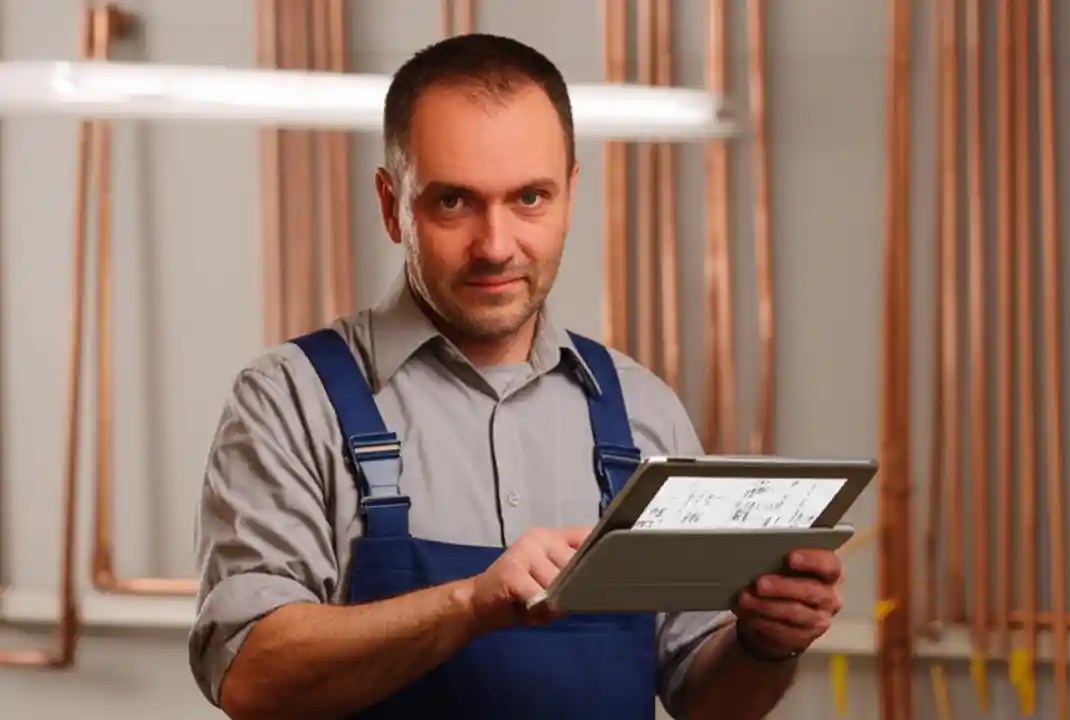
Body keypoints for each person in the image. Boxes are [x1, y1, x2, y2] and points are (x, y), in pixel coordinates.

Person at [188, 33, 845, 720]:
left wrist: (765, 644)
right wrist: (471, 604)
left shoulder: (644, 411)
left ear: (569, 195)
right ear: (392, 206)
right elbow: (251, 676)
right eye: (452, 203)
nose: (496, 246)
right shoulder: (290, 402)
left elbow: (705, 700)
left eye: (530, 198)